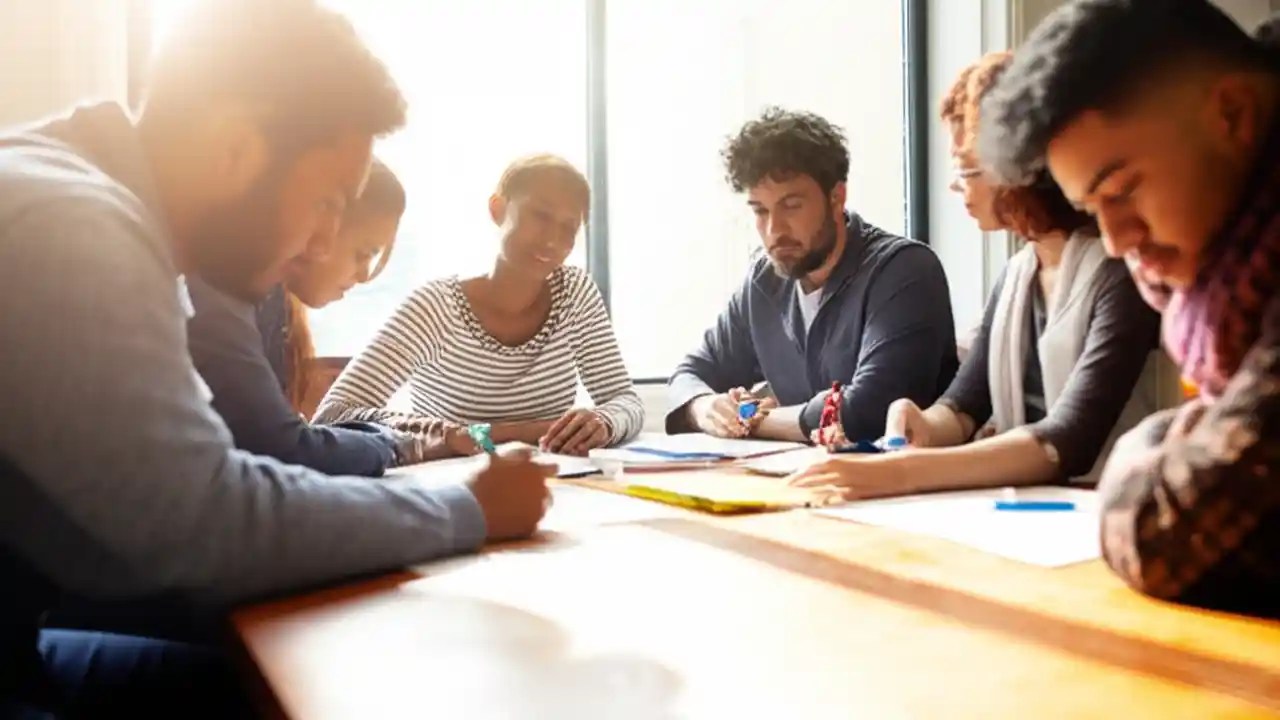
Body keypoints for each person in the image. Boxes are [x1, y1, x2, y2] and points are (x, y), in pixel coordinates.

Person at [0, 1, 551, 716]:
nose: (324, 245)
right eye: (327, 202)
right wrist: (464, 508)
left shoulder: (78, 187)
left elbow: (128, 528)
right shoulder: (71, 225)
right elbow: (203, 523)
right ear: (232, 149)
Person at [976, 0, 1280, 613]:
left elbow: (1167, 533)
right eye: (1092, 209)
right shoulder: (1234, 287)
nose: (1116, 240)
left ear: (1234, 113)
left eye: (1122, 189)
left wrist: (1144, 451)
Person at [788, 53, 1168, 498]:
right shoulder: (1016, 275)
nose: (956, 185)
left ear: (1020, 165)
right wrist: (921, 424)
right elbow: (964, 407)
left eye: (967, 168)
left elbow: (1068, 441)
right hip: (1032, 511)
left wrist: (902, 473)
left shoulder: (1118, 272)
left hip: (1113, 511)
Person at [314, 154, 645, 458]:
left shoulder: (575, 294)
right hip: (450, 492)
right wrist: (506, 433)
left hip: (559, 485)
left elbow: (626, 401)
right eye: (540, 216)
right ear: (497, 209)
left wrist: (603, 422)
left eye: (568, 228)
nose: (551, 240)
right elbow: (334, 414)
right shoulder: (435, 307)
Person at [666, 108, 959, 443]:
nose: (774, 230)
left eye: (791, 205)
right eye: (760, 211)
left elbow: (870, 410)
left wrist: (753, 420)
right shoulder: (763, 282)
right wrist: (705, 408)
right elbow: (687, 376)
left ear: (836, 197)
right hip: (806, 480)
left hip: (907, 485)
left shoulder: (905, 270)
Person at [187, 159, 434, 476]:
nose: (363, 275)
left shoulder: (272, 305)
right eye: (363, 253)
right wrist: (396, 446)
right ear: (321, 229)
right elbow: (283, 449)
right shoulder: (218, 299)